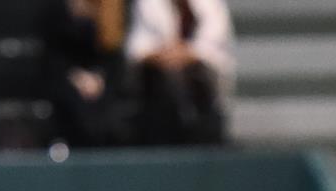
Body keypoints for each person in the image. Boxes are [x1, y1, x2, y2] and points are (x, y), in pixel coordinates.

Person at [128, 0, 235, 145]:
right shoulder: (147, 3)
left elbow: (213, 44)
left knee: (191, 75)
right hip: (159, 72)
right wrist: (165, 55)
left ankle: (199, 132)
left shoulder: (211, 4)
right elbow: (137, 48)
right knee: (168, 78)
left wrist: (184, 53)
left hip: (201, 74)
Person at [41, 0, 123, 148]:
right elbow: (53, 54)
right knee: (77, 110)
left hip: (101, 78)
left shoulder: (111, 7)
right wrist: (77, 77)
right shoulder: (57, 9)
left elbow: (112, 55)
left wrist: (98, 77)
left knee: (104, 111)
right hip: (66, 77)